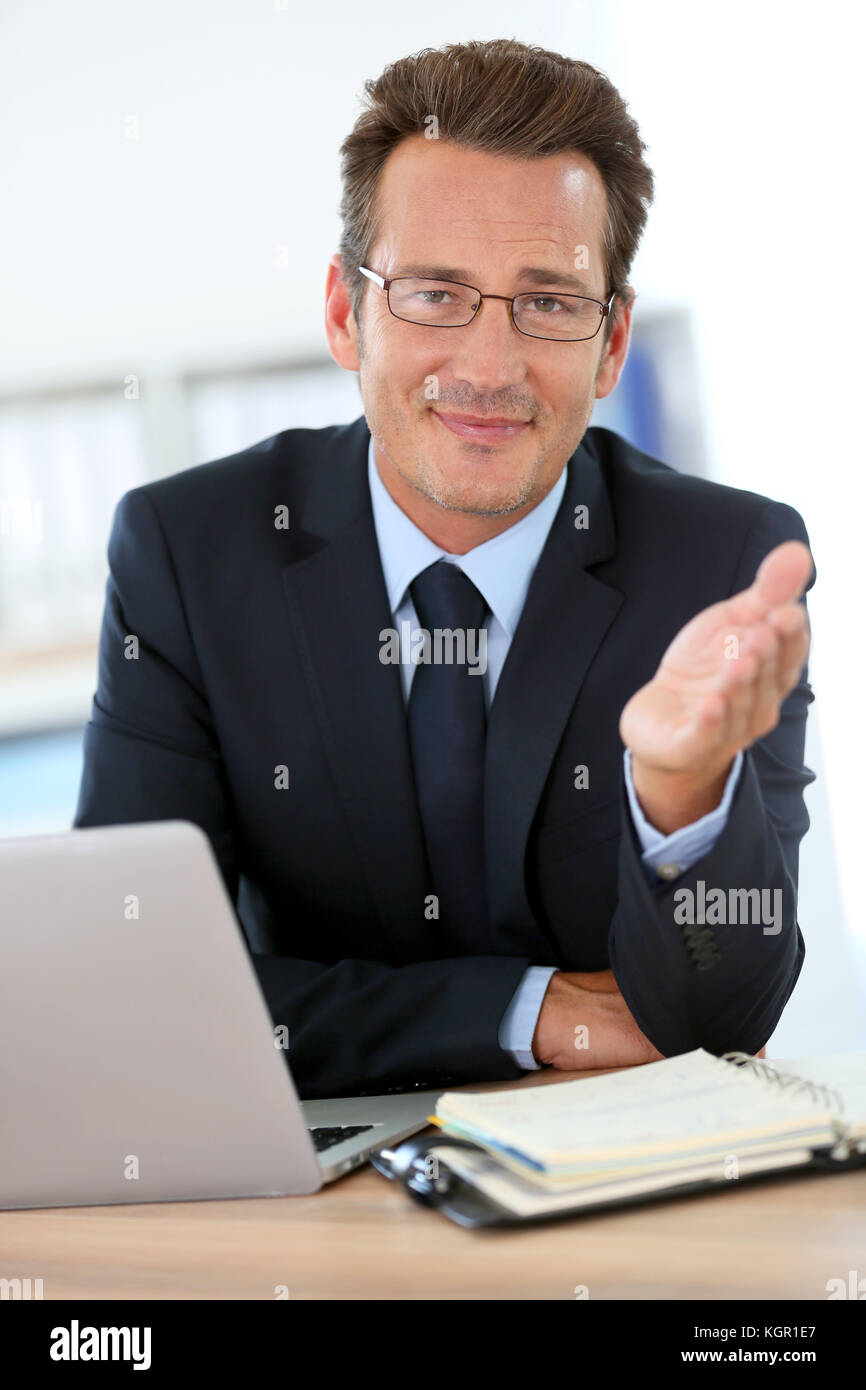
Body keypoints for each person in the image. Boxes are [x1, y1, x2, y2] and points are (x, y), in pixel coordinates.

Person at [74, 39, 814, 1098]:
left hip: (614, 1204)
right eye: (433, 293)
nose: (486, 367)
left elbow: (715, 1023)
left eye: (547, 301)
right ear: (345, 312)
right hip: (301, 1206)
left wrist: (678, 787)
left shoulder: (719, 568)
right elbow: (130, 986)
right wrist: (527, 1009)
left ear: (609, 347)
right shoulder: (188, 553)